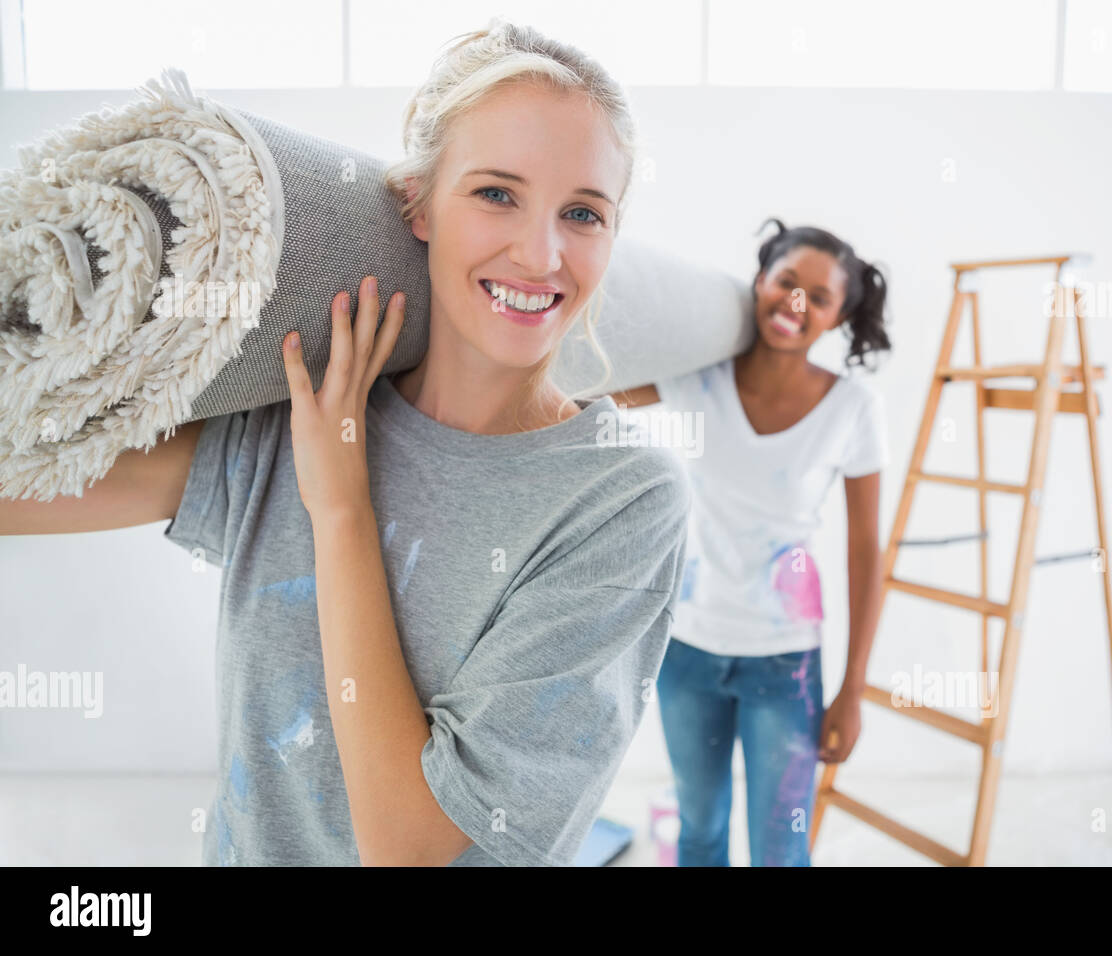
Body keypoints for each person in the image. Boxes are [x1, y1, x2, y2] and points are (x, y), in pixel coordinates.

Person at [0, 18, 690, 867]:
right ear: (417, 203)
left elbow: (409, 847)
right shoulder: (309, 409)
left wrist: (341, 508)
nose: (541, 254)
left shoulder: (623, 499)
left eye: (582, 213)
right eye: (496, 194)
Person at [610, 218, 892, 865]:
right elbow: (582, 391)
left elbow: (865, 552)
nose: (796, 303)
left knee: (780, 849)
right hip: (687, 652)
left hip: (785, 664)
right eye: (785, 281)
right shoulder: (695, 378)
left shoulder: (853, 409)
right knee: (700, 830)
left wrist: (852, 690)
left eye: (818, 297)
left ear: (838, 316)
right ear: (759, 280)